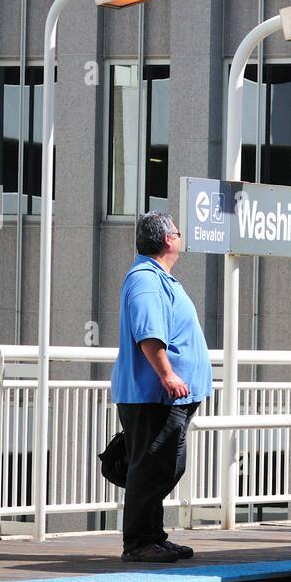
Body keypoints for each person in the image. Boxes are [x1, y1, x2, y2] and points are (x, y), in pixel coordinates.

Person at [110, 211, 213, 563]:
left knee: (167, 464)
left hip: (166, 395)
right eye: (179, 232)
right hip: (154, 393)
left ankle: (154, 536)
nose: (181, 237)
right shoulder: (146, 280)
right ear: (168, 239)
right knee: (152, 464)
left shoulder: (160, 278)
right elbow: (148, 333)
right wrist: (168, 374)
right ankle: (138, 542)